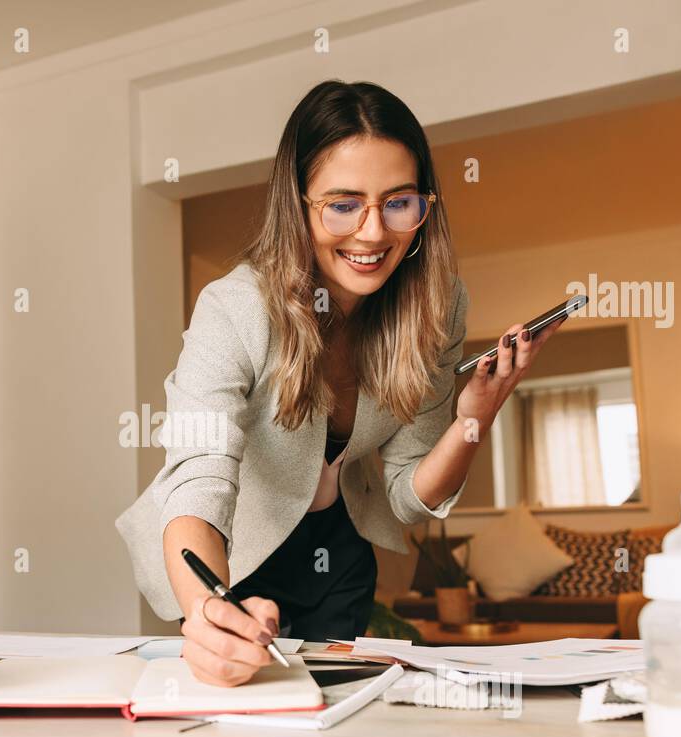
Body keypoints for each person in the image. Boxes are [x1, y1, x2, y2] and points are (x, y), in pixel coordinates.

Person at [116, 80, 565, 686]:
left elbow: (407, 495)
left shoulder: (436, 308)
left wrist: (475, 415)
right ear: (298, 204)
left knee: (341, 717)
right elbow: (198, 475)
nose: (374, 233)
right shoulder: (234, 308)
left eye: (399, 201)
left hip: (341, 547)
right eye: (343, 203)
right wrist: (208, 610)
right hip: (232, 550)